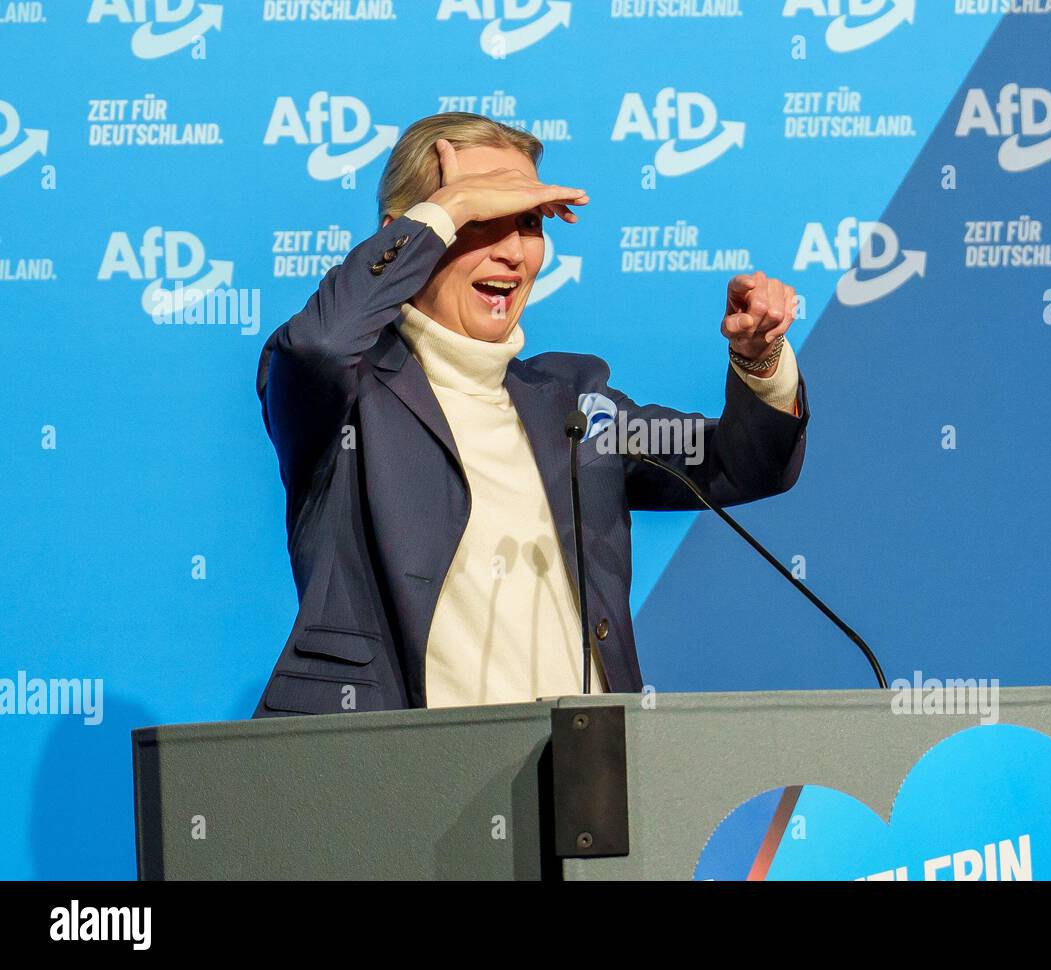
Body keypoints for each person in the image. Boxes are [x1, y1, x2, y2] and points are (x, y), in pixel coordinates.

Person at [252, 112, 810, 717]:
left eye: (527, 223)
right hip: (398, 779)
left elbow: (741, 463)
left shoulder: (571, 401)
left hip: (582, 781)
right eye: (480, 221)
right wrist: (446, 207)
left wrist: (761, 360)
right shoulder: (347, 398)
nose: (513, 253)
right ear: (409, 233)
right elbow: (319, 345)